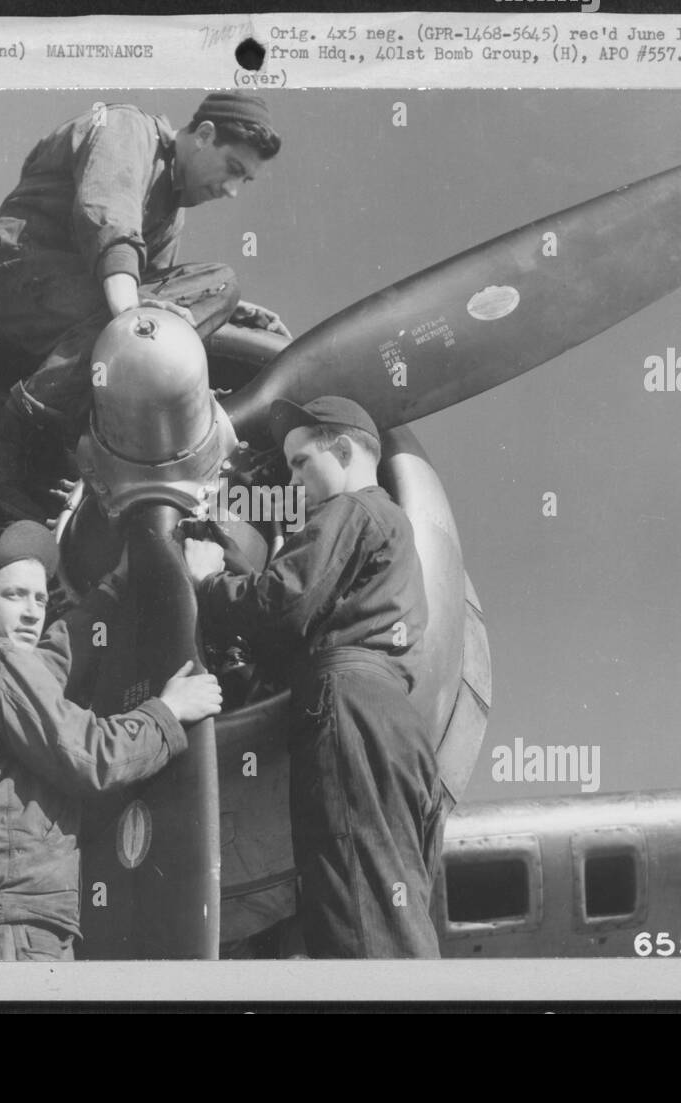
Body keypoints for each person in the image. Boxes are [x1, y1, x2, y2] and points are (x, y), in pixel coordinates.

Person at [183, 396, 447, 958]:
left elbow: (283, 605)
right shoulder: (389, 530)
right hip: (389, 718)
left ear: (345, 450)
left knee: (355, 904)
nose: (293, 479)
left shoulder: (351, 510)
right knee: (387, 898)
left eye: (301, 462)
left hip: (346, 709)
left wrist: (206, 582)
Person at [0, 92, 289, 519]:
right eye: (233, 169)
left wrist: (233, 315)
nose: (232, 190)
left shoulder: (172, 215)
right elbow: (107, 216)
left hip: (78, 299)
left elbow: (153, 299)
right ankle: (0, 437)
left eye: (245, 181)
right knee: (218, 285)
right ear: (204, 135)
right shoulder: (128, 128)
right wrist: (135, 321)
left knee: (219, 290)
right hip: (22, 274)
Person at [0, 520, 222, 961]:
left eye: (39, 597)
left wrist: (113, 588)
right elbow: (91, 757)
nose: (35, 611)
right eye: (14, 595)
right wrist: (168, 712)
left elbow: (54, 659)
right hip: (9, 936)